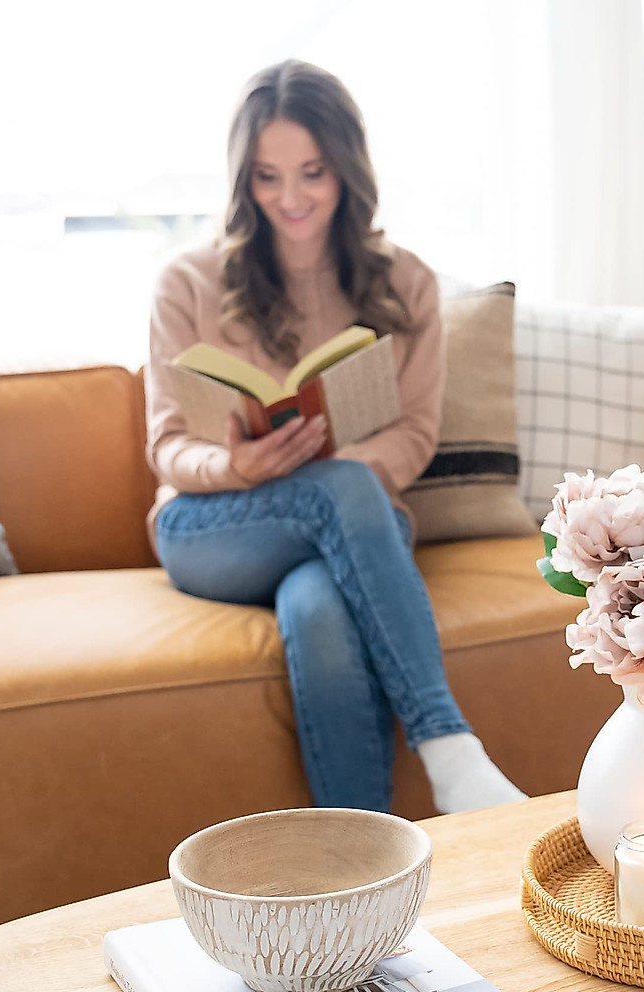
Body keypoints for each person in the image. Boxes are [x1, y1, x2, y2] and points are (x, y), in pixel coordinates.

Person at [145, 59, 525, 816]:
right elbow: (166, 448)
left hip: (347, 528)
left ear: (347, 168)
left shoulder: (405, 281)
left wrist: (330, 468)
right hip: (213, 525)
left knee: (320, 608)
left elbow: (414, 434)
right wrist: (238, 463)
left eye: (312, 173)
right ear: (241, 179)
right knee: (343, 494)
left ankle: (359, 871)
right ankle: (450, 751)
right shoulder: (186, 283)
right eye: (266, 176)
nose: (290, 198)